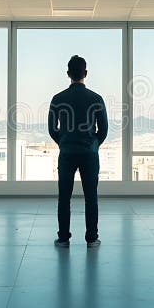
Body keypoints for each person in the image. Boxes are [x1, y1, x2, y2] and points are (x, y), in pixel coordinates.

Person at [48, 55, 108, 248]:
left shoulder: (57, 99)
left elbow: (52, 129)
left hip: (67, 153)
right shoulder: (96, 99)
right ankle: (92, 238)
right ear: (86, 73)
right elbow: (103, 130)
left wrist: (63, 142)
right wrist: (93, 144)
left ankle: (63, 238)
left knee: (64, 197)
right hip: (89, 154)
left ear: (68, 73)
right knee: (91, 197)